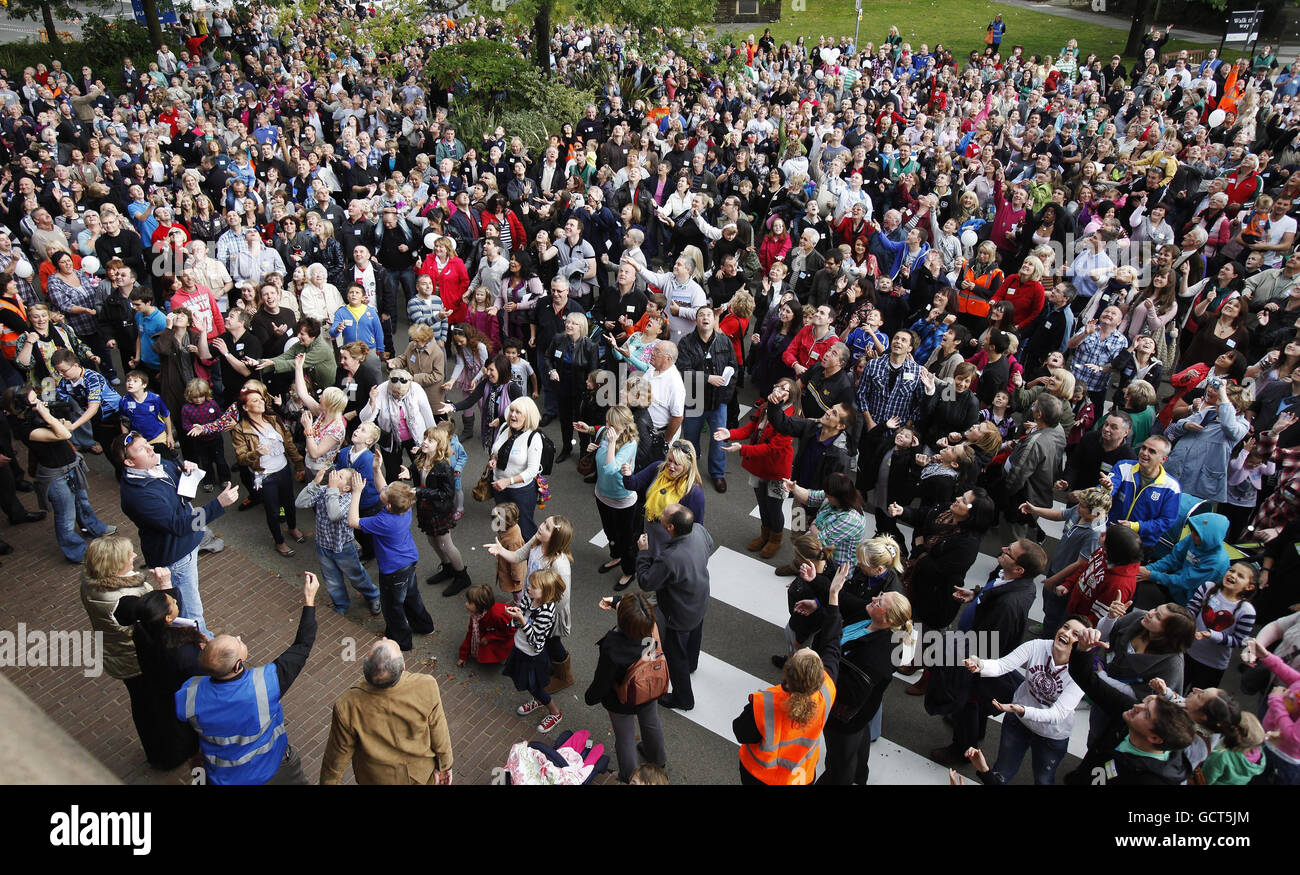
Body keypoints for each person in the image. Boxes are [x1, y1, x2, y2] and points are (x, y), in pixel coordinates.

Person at [177, 572, 320, 785]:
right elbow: (302, 646)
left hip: (225, 778)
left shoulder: (188, 694)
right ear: (237, 665)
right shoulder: (265, 684)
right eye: (237, 643)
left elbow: (186, 734)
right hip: (274, 770)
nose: (239, 637)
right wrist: (309, 601)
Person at [928, 538, 1049, 767]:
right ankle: (973, 729)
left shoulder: (1009, 605)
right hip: (975, 648)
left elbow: (989, 643)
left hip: (976, 660)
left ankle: (961, 750)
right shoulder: (1015, 581)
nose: (1003, 549)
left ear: (1019, 569)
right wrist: (977, 595)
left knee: (968, 703)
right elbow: (994, 589)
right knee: (974, 704)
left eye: (1009, 552)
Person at [119, 423, 239, 637]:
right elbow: (179, 526)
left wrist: (186, 470)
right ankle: (203, 644)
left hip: (185, 545)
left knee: (188, 606)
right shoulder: (139, 497)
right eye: (141, 449)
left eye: (146, 443)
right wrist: (218, 504)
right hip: (176, 556)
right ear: (129, 462)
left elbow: (176, 478)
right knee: (190, 612)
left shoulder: (155, 465)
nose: (150, 449)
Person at [734, 568, 844, 784]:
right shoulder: (827, 690)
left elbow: (741, 733)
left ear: (788, 673)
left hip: (759, 775)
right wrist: (833, 597)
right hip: (800, 776)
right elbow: (832, 642)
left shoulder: (765, 701)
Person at [80, 536, 175, 768]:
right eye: (128, 555)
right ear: (114, 564)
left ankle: (158, 752)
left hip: (120, 657)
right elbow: (165, 615)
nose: (134, 556)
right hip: (138, 661)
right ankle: (165, 756)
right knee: (154, 708)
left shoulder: (91, 582)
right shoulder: (124, 602)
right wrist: (165, 586)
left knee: (142, 705)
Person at [1064, 622, 1199, 785]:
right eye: (1146, 702)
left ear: (1155, 738)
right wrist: (1083, 649)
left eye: (1146, 713)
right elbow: (1088, 679)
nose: (1137, 706)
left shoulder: (1150, 780)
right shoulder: (1128, 712)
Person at [961, 617, 1090, 785]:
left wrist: (1022, 709)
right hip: (1018, 723)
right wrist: (981, 665)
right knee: (1001, 772)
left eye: (1075, 634)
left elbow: (1057, 714)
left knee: (1044, 780)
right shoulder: (1038, 646)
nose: (1066, 633)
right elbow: (1002, 665)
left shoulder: (1082, 672)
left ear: (1081, 644)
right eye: (1065, 627)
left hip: (1051, 734)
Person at [319, 638, 454, 785]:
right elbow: (439, 730)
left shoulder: (347, 705)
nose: (384, 637)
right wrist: (445, 765)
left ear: (366, 670)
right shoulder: (426, 685)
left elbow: (336, 759)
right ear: (403, 667)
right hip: (421, 776)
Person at [6, 384, 113, 563]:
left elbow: (68, 425)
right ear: (21, 406)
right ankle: (77, 552)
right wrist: (49, 417)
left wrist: (52, 417)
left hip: (71, 464)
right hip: (56, 475)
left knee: (82, 501)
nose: (39, 402)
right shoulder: (25, 429)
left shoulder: (38, 415)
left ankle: (94, 528)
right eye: (34, 401)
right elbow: (64, 434)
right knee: (66, 516)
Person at [821, 588, 912, 785]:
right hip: (860, 714)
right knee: (858, 743)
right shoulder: (871, 620)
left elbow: (851, 694)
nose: (874, 599)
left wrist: (823, 669)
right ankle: (860, 776)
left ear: (888, 620)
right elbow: (845, 601)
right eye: (880, 595)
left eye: (880, 602)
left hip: (843, 717)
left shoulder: (878, 655)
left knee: (839, 763)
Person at [585, 592, 669, 783]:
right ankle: (658, 759)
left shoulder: (614, 647)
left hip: (622, 699)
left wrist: (590, 697)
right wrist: (616, 602)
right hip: (651, 686)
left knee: (625, 737)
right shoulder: (657, 623)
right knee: (651, 721)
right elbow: (637, 614)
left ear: (623, 623)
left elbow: (602, 683)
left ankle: (629, 775)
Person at [636, 503, 713, 711]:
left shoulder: (670, 558)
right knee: (695, 634)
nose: (660, 514)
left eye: (664, 515)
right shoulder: (698, 530)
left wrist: (643, 553)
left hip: (678, 612)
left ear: (670, 527)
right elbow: (710, 545)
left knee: (675, 655)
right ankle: (692, 664)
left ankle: (683, 698)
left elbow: (646, 581)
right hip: (699, 599)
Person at [347, 474, 433, 652]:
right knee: (411, 595)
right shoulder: (405, 506)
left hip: (393, 571)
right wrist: (376, 469)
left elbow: (353, 521)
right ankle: (425, 626)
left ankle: (402, 641)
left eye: (387, 490)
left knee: (393, 606)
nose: (384, 487)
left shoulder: (384, 521)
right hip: (408, 561)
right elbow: (384, 489)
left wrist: (356, 493)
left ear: (387, 506)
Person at [294, 466, 382, 617]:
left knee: (356, 576)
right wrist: (315, 482)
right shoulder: (325, 490)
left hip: (344, 547)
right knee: (331, 580)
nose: (334, 476)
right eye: (337, 473)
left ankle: (373, 596)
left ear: (347, 488)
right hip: (323, 546)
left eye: (340, 477)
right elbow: (300, 503)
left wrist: (332, 490)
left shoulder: (348, 499)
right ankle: (341, 604)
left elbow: (334, 514)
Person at [231, 382, 306, 556]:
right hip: (265, 476)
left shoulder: (273, 418)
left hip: (283, 469)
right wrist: (255, 453)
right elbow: (241, 459)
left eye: (261, 399)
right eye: (255, 401)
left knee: (289, 502)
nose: (261, 403)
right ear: (245, 407)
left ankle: (293, 528)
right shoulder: (240, 429)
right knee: (272, 510)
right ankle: (279, 541)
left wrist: (299, 464)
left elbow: (288, 444)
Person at [503, 568, 567, 733]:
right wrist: (516, 615)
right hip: (520, 649)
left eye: (534, 586)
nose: (528, 588)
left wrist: (522, 620)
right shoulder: (530, 596)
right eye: (530, 584)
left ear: (546, 592)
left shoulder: (546, 611)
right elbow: (522, 613)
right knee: (531, 685)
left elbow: (536, 639)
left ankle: (555, 712)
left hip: (532, 656)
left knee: (535, 687)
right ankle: (538, 700)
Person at [1106, 434, 1181, 551]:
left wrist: (1135, 526)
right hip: (1111, 533)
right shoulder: (1123, 466)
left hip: (1140, 544)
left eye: (1152, 451)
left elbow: (1166, 521)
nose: (1145, 453)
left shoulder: (1171, 487)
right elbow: (1109, 488)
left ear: (1163, 459)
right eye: (1143, 448)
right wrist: (1107, 489)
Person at [458, 584, 513, 666]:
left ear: (480, 605)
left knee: (499, 650)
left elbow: (510, 631)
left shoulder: (498, 615)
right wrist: (463, 655)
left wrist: (489, 638)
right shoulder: (476, 615)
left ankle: (505, 656)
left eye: (469, 602)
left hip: (506, 636)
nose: (466, 604)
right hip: (493, 631)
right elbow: (470, 633)